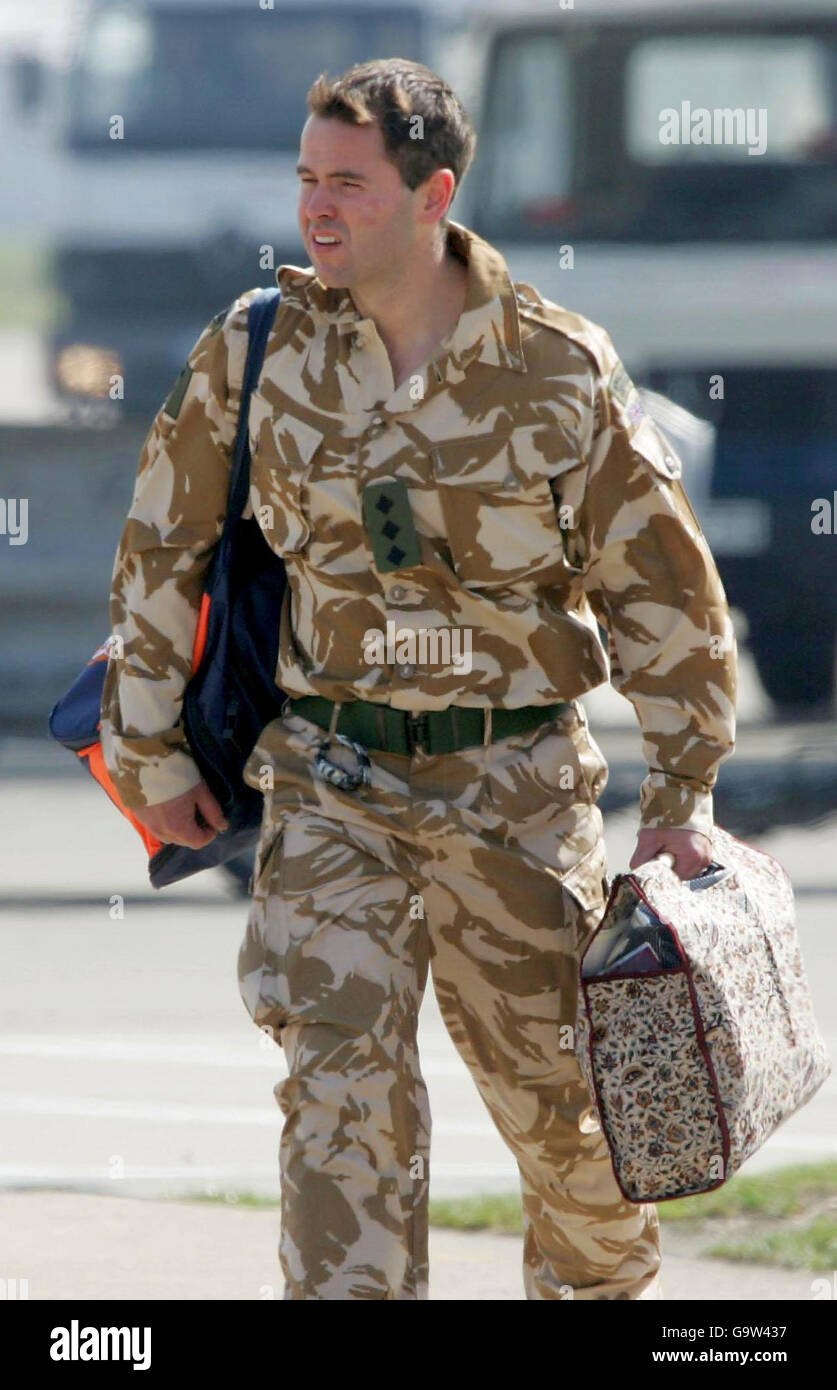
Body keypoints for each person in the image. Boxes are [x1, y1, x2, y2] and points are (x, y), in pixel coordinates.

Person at [100, 57, 737, 1300]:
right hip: (332, 775)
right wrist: (151, 754)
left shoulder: (554, 366)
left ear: (434, 191)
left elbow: (663, 589)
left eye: (349, 183)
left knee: (569, 1127)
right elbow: (158, 550)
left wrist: (684, 795)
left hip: (515, 786)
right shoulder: (256, 348)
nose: (316, 209)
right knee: (341, 1105)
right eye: (305, 181)